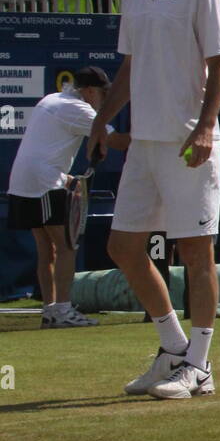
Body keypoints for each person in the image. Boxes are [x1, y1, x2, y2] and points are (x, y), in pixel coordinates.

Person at [87, 0, 220, 399]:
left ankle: (200, 366)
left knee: (196, 251)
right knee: (122, 247)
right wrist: (102, 121)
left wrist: (206, 126)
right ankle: (173, 348)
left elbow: (219, 62)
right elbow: (130, 67)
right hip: (144, 144)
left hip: (188, 140)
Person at [6, 68, 130, 327]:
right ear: (88, 91)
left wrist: (65, 177)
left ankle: (51, 311)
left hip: (24, 181)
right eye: (101, 92)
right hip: (42, 183)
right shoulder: (78, 109)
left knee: (47, 249)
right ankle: (61, 311)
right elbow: (117, 141)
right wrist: (154, 138)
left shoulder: (50, 99)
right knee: (66, 246)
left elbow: (46, 146)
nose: (104, 98)